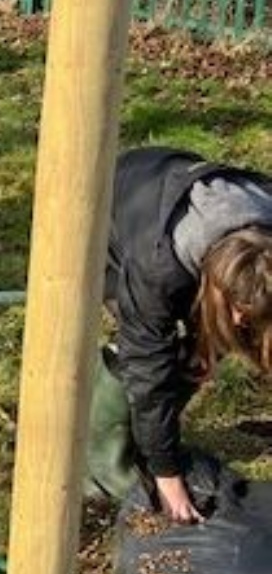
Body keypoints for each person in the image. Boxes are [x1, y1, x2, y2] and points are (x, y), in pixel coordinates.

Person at [98, 145, 272, 523]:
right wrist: (168, 474)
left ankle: (153, 438)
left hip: (191, 201)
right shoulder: (157, 272)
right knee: (148, 361)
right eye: (239, 314)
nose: (243, 325)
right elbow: (149, 369)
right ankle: (108, 459)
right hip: (113, 209)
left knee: (196, 357)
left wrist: (204, 346)